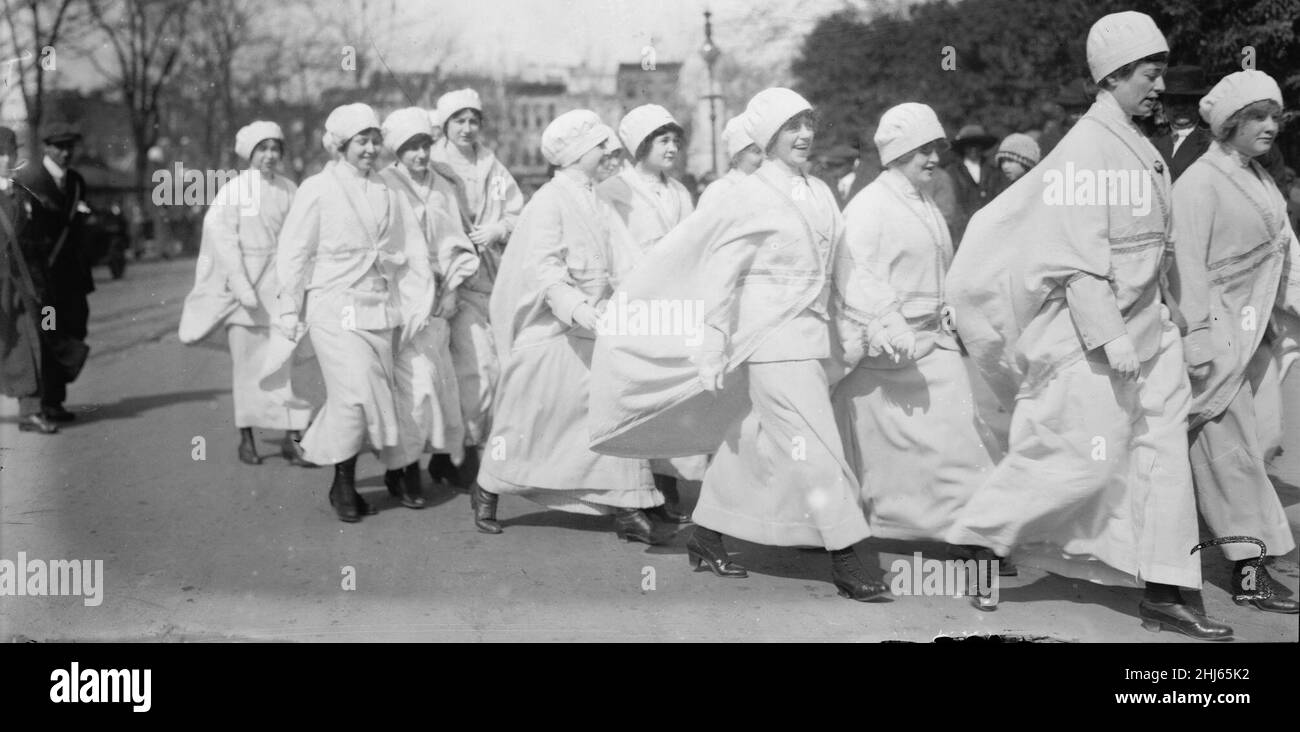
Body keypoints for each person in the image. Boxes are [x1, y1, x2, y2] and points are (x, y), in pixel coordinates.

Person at [943, 11, 1231, 640]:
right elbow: (1074, 260)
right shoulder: (1086, 149)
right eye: (1150, 76)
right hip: (1091, 344)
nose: (1158, 87)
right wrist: (1112, 339)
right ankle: (982, 544)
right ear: (1116, 75)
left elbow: (1159, 247)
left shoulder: (1133, 142)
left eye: (1158, 75)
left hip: (1150, 335)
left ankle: (1167, 589)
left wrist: (1183, 319)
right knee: (1078, 464)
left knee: (1163, 462)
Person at [588, 88, 914, 599]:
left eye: (808, 123)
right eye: (792, 127)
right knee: (819, 448)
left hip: (816, 343)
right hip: (770, 343)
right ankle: (847, 557)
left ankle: (708, 531)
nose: (804, 134)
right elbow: (720, 274)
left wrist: (885, 317)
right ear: (768, 137)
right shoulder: (747, 194)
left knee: (757, 441)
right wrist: (714, 342)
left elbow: (847, 269)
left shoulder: (821, 193)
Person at [473, 109, 664, 542]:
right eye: (600, 147)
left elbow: (623, 259)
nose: (608, 154)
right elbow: (544, 270)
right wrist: (578, 308)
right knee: (530, 421)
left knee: (612, 412)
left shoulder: (596, 198)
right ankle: (488, 486)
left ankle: (628, 508)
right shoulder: (548, 200)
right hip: (554, 327)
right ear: (577, 153)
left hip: (595, 326)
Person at [832, 103, 1002, 549]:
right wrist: (888, 324)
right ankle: (957, 533)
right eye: (921, 150)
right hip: (890, 353)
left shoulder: (922, 200)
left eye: (935, 149)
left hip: (934, 345)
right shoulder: (869, 206)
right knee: (906, 456)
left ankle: (971, 533)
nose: (932, 159)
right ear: (896, 155)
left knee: (959, 442)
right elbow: (856, 274)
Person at [1169, 69, 1299, 615]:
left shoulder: (1259, 179)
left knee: (1259, 447)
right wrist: (1199, 342)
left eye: (1275, 116)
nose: (1271, 126)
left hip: (1257, 342)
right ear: (1229, 124)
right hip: (1219, 345)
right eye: (1258, 117)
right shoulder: (1199, 184)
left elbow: (1285, 257)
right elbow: (1185, 270)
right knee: (1233, 459)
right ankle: (1249, 575)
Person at [268, 103, 431, 522]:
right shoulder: (316, 188)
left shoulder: (390, 190)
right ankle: (343, 481)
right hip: (332, 305)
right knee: (356, 395)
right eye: (362, 140)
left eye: (376, 139)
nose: (372, 148)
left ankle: (373, 472)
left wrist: (416, 299)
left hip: (379, 309)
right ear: (341, 145)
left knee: (373, 398)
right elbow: (293, 253)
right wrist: (288, 307)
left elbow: (412, 249)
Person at [178, 121, 317, 465]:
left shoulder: (290, 189)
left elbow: (303, 238)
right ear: (249, 154)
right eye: (262, 149)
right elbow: (221, 239)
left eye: (275, 149)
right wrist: (240, 284)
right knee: (248, 369)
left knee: (281, 366)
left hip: (281, 290)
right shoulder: (233, 191)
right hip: (247, 294)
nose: (269, 156)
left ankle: (290, 434)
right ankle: (247, 437)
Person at [598, 103, 701, 523]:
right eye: (662, 139)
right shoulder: (615, 191)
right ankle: (638, 489)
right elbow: (613, 249)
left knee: (675, 395)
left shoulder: (679, 192)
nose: (672, 147)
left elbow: (693, 244)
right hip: (637, 303)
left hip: (676, 303)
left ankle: (669, 480)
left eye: (675, 139)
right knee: (640, 397)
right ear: (640, 145)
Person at [377, 107, 481, 508]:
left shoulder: (441, 186)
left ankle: (442, 461)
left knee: (443, 385)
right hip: (403, 300)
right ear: (397, 152)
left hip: (439, 301)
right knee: (413, 390)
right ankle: (401, 471)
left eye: (424, 146)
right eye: (411, 149)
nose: (420, 155)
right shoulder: (385, 185)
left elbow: (454, 241)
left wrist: (452, 285)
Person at [428, 88, 525, 494]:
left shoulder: (492, 166)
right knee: (474, 369)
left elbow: (516, 210)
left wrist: (499, 228)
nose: (468, 128)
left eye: (473, 120)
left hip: (492, 280)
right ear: (445, 126)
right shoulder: (432, 164)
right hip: (450, 281)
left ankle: (456, 451)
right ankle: (461, 451)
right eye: (459, 121)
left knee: (495, 368)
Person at [16, 121, 91, 423]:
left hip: (71, 275)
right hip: (41, 274)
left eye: (69, 146)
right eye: (60, 146)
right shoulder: (31, 179)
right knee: (48, 334)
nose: (65, 152)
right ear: (46, 147)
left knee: (74, 327)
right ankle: (47, 401)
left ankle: (56, 401)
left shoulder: (75, 181)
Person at [0, 126, 58, 434]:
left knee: (25, 341)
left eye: (11, 153)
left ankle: (30, 409)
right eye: (3, 154)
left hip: (16, 284)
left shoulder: (19, 193)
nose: (9, 159)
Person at [1151, 65, 1211, 182]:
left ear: (1199, 103)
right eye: (1172, 102)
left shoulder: (1213, 142)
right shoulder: (1152, 143)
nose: (1180, 108)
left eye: (1186, 101)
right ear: (1163, 105)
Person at [945, 123, 1002, 244]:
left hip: (991, 231)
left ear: (982, 147)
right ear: (963, 147)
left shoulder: (993, 172)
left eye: (977, 145)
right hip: (963, 233)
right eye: (969, 145)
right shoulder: (952, 173)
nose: (973, 149)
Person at [694, 114, 760, 211]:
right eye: (757, 152)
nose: (764, 158)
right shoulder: (719, 190)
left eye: (765, 152)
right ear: (738, 156)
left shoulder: (761, 187)